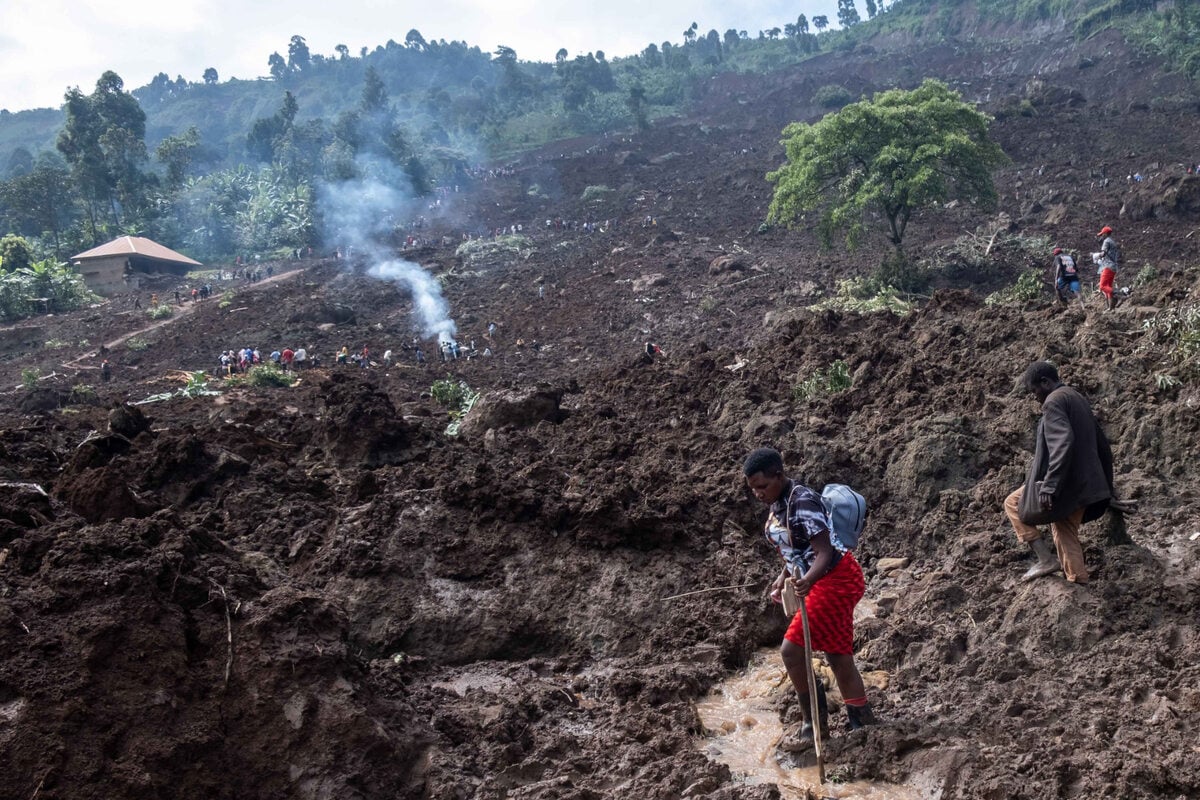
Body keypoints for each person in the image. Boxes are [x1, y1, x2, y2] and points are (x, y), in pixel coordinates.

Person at [743, 447, 877, 747]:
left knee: (790, 650)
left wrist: (806, 581)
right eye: (753, 489)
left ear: (779, 475)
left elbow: (824, 551)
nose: (758, 494)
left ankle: (813, 721)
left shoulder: (802, 500)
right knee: (837, 654)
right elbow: (795, 549)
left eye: (762, 486)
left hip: (836, 579)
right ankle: (862, 720)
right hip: (823, 578)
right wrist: (783, 579)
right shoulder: (779, 502)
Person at [1003, 362, 1113, 584]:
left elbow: (1062, 443)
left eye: (1035, 390)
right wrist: (1108, 488)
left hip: (1067, 483)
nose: (1035, 397)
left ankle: (1046, 559)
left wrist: (1050, 486)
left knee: (1012, 503)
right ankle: (1078, 581)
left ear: (1045, 382)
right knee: (1065, 529)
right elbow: (1103, 447)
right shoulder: (1075, 397)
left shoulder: (1053, 402)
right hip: (1084, 483)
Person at [1095, 226, 1121, 310]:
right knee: (1108, 286)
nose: (1102, 236)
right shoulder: (1113, 242)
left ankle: (1119, 295)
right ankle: (1110, 308)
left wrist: (1095, 255)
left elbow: (1103, 253)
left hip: (1107, 266)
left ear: (1106, 234)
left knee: (1102, 286)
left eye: (1102, 234)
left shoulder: (1106, 241)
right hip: (1113, 267)